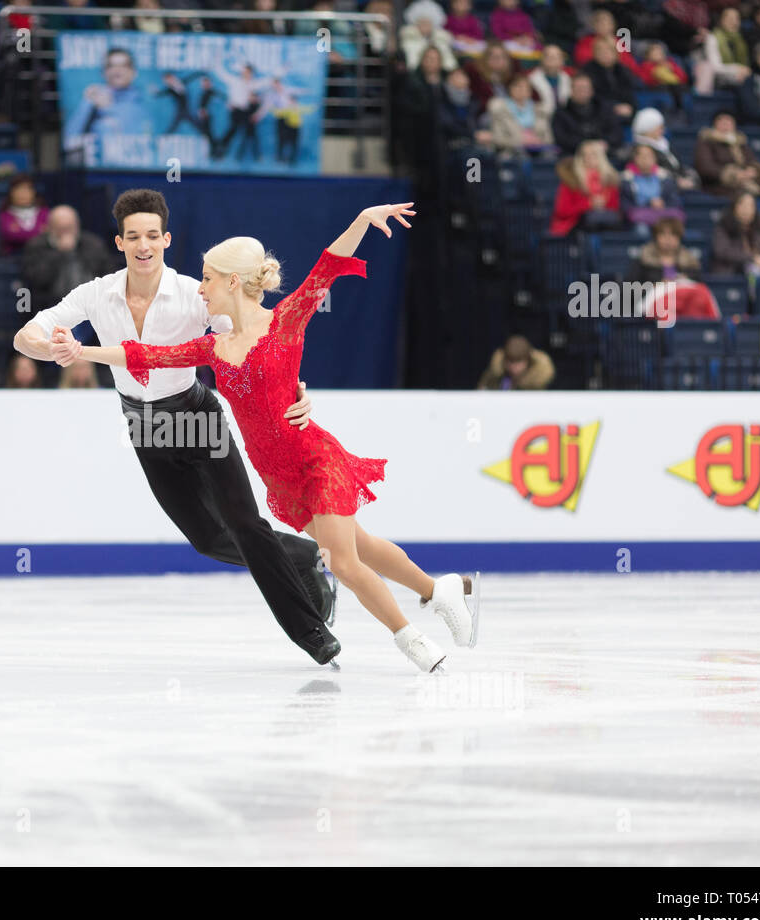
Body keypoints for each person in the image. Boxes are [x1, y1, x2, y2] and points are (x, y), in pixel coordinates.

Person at [55, 202, 479, 673]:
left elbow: (326, 270)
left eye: (209, 279)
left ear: (233, 282)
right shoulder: (212, 347)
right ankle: (436, 591)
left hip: (314, 457)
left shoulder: (286, 321)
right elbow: (147, 355)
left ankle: (411, 640)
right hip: (280, 476)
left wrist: (360, 220)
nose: (202, 289)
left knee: (341, 560)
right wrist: (81, 350)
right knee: (362, 546)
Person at [13, 188, 341, 665]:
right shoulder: (96, 293)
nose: (143, 245)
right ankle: (304, 556)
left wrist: (296, 388)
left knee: (246, 525)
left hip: (196, 417)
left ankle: (313, 635)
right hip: (145, 428)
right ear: (119, 242)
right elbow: (27, 336)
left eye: (152, 235)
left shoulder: (195, 293)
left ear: (166, 239)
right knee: (209, 540)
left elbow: (258, 342)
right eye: (133, 237)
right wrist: (57, 350)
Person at [22, 204, 118, 313]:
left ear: (77, 225)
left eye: (69, 227)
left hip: (91, 304)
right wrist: (60, 253)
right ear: (50, 228)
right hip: (51, 306)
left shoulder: (93, 244)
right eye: (61, 228)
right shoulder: (37, 246)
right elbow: (37, 280)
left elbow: (108, 275)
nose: (66, 233)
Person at [695, 110, 760, 199]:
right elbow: (705, 167)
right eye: (721, 121)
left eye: (729, 121)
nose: (725, 124)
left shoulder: (740, 142)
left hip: (746, 182)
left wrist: (752, 171)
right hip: (719, 186)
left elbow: (752, 161)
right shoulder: (707, 141)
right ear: (714, 124)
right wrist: (734, 175)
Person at [550, 138, 621, 235]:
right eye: (584, 155)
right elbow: (562, 211)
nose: (588, 158)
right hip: (573, 226)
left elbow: (615, 208)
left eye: (593, 154)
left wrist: (602, 204)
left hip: (604, 225)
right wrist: (588, 204)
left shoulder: (610, 180)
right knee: (591, 220)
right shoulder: (571, 179)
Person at [711, 191, 760, 275]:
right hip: (734, 271)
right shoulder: (723, 227)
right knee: (754, 270)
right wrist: (752, 258)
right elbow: (723, 252)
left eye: (750, 206)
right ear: (734, 207)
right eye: (742, 205)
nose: (746, 209)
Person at [552, 72, 619, 156]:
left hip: (604, 154)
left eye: (585, 88)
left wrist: (603, 143)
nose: (582, 91)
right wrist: (585, 146)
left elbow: (616, 133)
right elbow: (561, 139)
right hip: (573, 156)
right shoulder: (561, 113)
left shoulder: (604, 109)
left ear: (592, 90)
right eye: (578, 88)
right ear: (571, 90)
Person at [486, 72, 554, 156]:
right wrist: (521, 141)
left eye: (526, 87)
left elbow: (548, 138)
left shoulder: (541, 110)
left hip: (538, 152)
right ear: (509, 88)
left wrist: (538, 141)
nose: (522, 89)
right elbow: (497, 138)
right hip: (510, 153)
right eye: (517, 86)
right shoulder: (499, 109)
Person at [621, 144, 684, 232]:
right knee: (641, 229)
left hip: (664, 217)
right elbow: (625, 206)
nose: (645, 159)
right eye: (641, 156)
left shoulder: (666, 178)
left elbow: (675, 201)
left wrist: (663, 203)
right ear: (635, 158)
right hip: (640, 219)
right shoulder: (626, 179)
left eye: (649, 156)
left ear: (655, 159)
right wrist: (649, 204)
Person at [477, 334, 555, 389]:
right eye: (510, 361)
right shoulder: (494, 376)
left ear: (529, 361)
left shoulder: (541, 381)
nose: (513, 367)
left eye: (518, 362)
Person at [0, 174, 48, 255]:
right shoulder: (5, 215)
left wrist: (21, 233)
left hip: (41, 258)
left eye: (27, 189)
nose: (23, 193)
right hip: (13, 260)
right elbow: (11, 236)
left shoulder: (44, 213)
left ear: (33, 192)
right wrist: (39, 233)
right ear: (11, 193)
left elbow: (51, 236)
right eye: (18, 189)